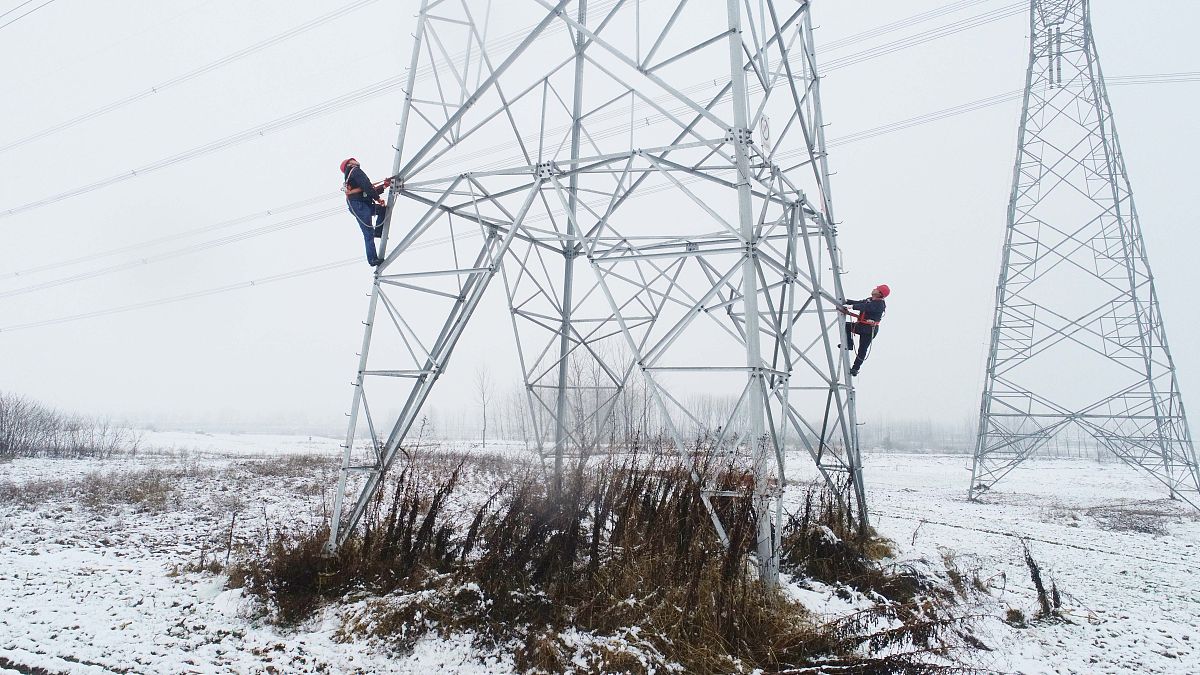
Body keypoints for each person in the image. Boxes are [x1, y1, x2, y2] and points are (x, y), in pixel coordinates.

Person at [341, 157, 391, 267]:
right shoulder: (355, 171)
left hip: (362, 205)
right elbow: (367, 187)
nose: (356, 160)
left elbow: (367, 190)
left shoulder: (353, 176)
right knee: (368, 232)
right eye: (353, 160)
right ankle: (372, 259)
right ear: (349, 164)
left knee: (383, 209)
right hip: (359, 206)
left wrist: (384, 186)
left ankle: (378, 232)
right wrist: (377, 198)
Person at [839, 284, 889, 377]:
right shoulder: (870, 300)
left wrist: (851, 307)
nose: (874, 289)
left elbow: (865, 307)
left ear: (879, 293)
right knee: (846, 326)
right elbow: (860, 303)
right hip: (862, 326)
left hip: (869, 330)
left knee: (862, 349)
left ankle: (855, 369)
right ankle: (849, 344)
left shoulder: (879, 304)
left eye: (877, 289)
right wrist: (847, 301)